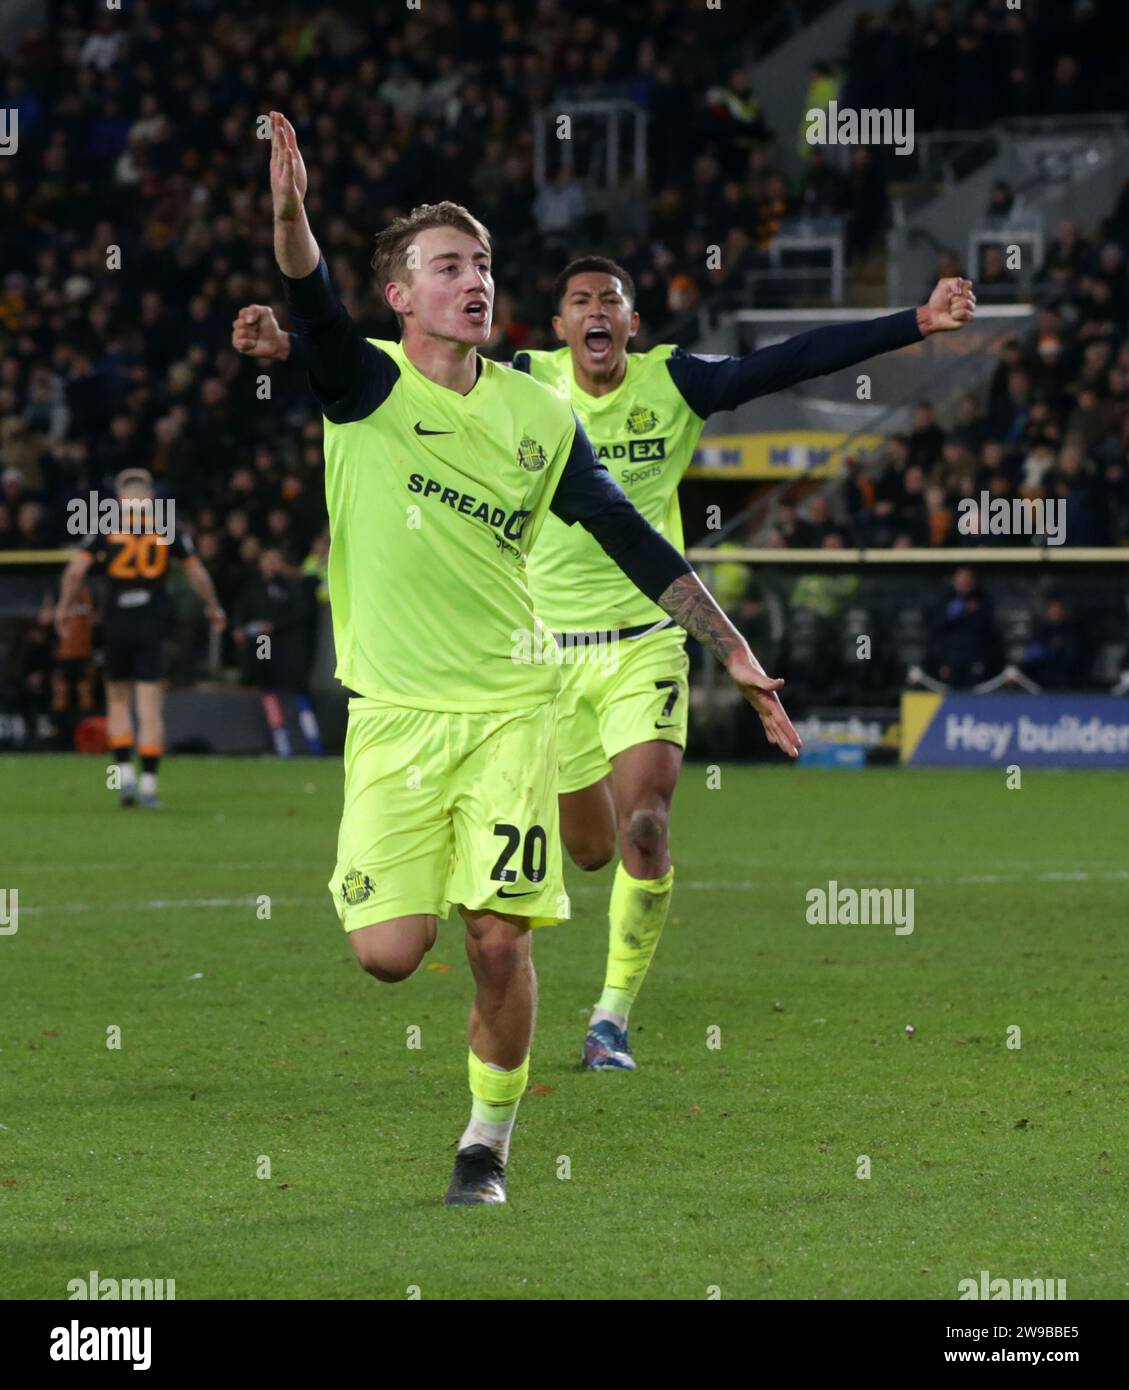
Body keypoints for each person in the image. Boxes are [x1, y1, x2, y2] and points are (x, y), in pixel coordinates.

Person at [236, 251, 976, 1075]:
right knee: (587, 851)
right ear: (557, 328)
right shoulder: (520, 381)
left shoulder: (675, 383)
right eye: (579, 301)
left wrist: (913, 322)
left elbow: (786, 361)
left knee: (646, 827)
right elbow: (398, 367)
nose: (596, 311)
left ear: (630, 323)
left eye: (611, 301)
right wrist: (291, 347)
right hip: (540, 653)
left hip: (642, 645)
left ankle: (610, 1019)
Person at [243, 111, 800, 1206]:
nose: (474, 280)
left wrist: (728, 646)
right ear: (401, 295)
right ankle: (456, 904)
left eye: (484, 263)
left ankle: (484, 1148)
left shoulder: (539, 414)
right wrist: (288, 211)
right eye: (448, 265)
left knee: (498, 943)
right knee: (388, 952)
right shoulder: (360, 386)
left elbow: (634, 538)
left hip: (510, 710)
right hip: (393, 718)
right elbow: (308, 295)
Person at [54, 468, 226, 808]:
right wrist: (213, 607)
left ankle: (124, 781)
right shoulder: (167, 527)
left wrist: (63, 607)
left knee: (117, 701)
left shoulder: (106, 526)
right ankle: (149, 785)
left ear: (119, 499)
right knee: (150, 706)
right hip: (152, 623)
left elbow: (75, 571)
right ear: (150, 498)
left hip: (116, 622)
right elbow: (196, 572)